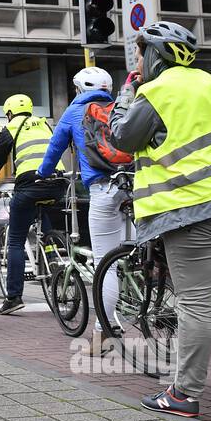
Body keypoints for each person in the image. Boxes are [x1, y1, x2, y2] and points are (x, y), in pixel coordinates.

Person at [110, 21, 211, 419]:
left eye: (141, 53)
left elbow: (122, 138)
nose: (137, 60)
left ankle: (183, 394)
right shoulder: (208, 82)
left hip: (189, 207)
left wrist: (126, 93)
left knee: (193, 303)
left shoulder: (155, 91)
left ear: (156, 55)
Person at [37, 67, 128, 351]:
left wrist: (43, 172)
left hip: (103, 190)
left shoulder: (75, 111)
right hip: (134, 186)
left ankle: (103, 333)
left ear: (79, 89)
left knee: (106, 263)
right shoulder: (120, 107)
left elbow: (54, 149)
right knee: (133, 251)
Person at [0, 92, 60, 316]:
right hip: (57, 182)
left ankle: (13, 297)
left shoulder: (12, 127)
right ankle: (57, 267)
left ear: (10, 113)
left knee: (15, 239)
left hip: (30, 184)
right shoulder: (44, 123)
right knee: (45, 224)